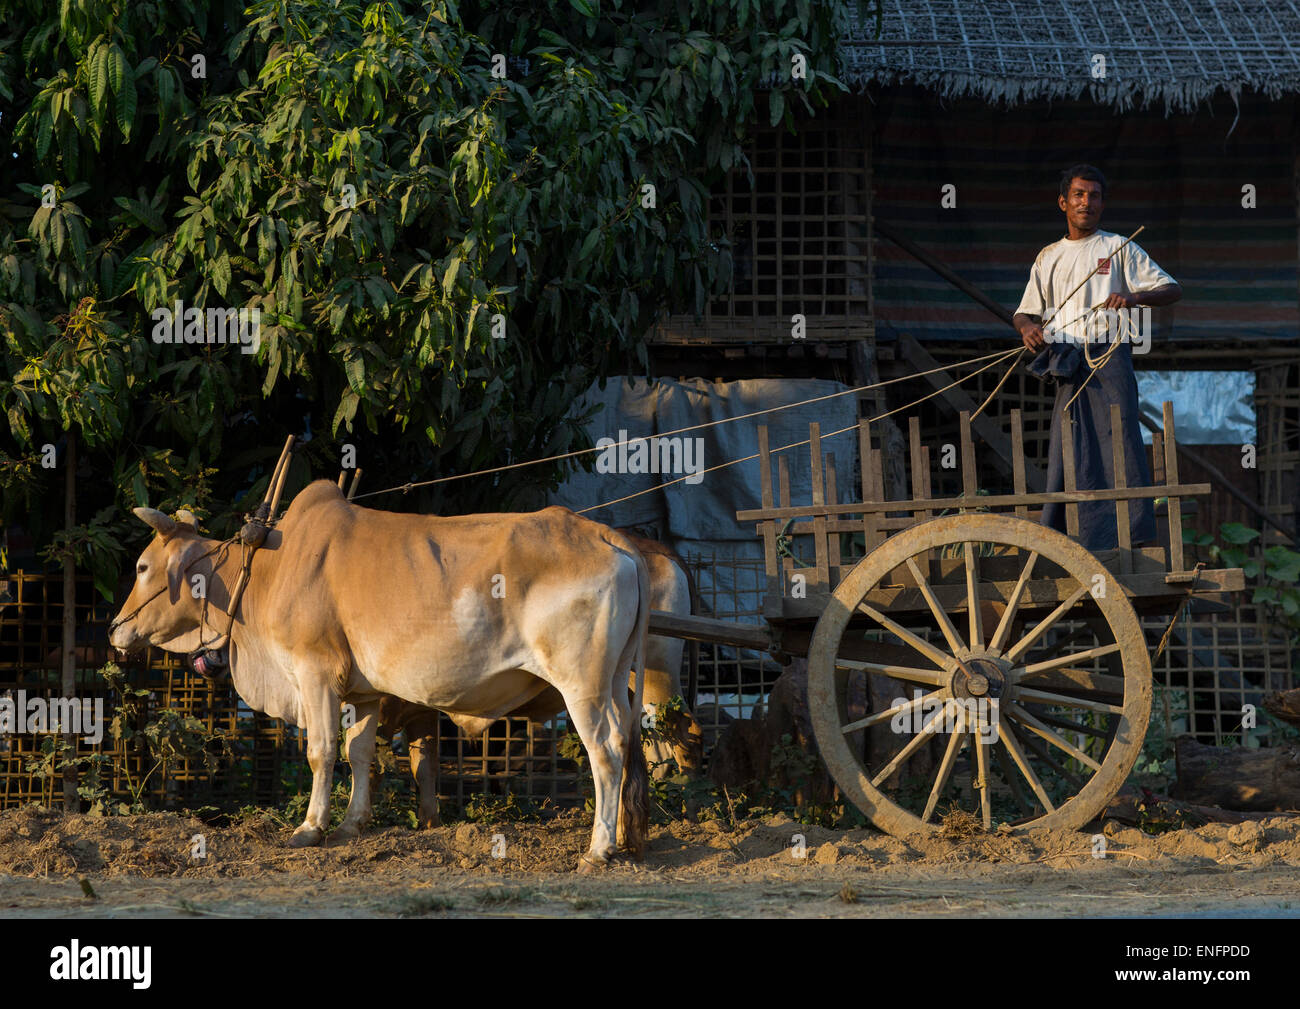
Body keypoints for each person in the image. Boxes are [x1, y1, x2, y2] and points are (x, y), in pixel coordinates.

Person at [1012, 165, 1182, 550]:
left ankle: (1131, 535)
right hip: (1067, 360)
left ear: (1103, 204)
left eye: (1094, 195)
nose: (1086, 202)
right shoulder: (1049, 256)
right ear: (1063, 203)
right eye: (1078, 195)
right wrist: (1026, 329)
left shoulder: (1119, 248)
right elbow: (1025, 311)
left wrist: (1134, 297)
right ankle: (1070, 536)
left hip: (1109, 356)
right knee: (1070, 443)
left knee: (1118, 436)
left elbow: (1172, 288)